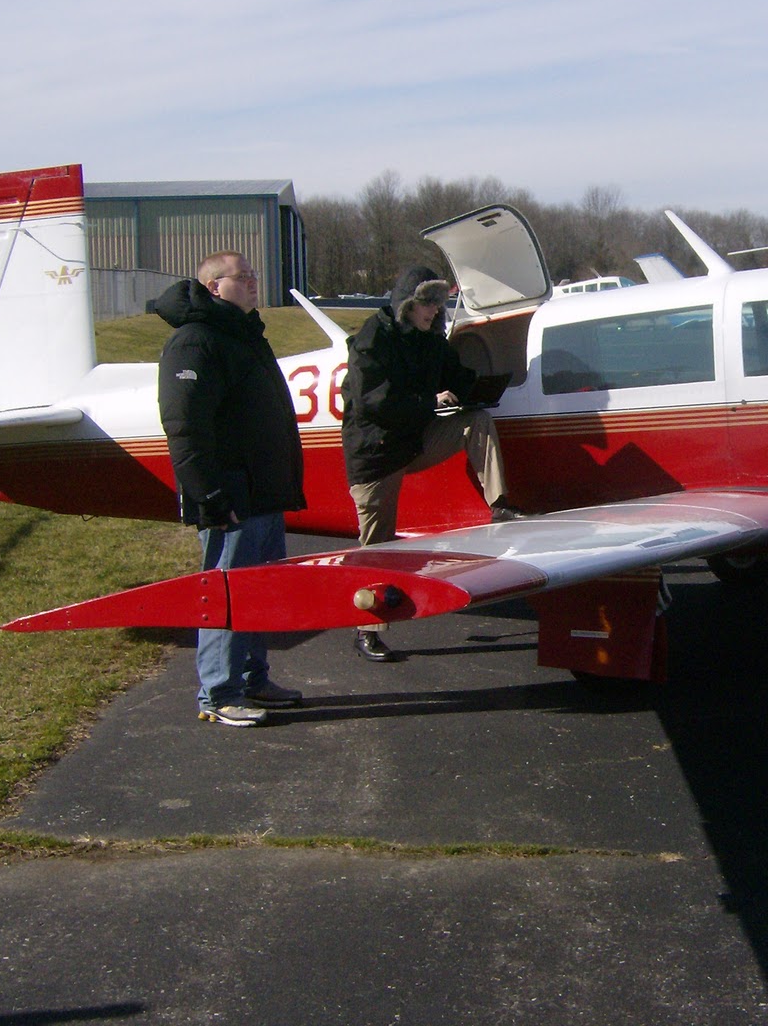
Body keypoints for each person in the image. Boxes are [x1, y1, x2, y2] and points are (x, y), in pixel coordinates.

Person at [155, 251, 307, 726]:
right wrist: (209, 495)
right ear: (214, 286)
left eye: (254, 275)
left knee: (259, 590)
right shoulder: (195, 341)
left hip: (262, 491)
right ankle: (218, 694)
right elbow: (185, 426)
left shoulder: (246, 336)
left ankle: (252, 679)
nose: (253, 283)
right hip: (231, 494)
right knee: (224, 592)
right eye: (242, 277)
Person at [341, 265, 521, 662]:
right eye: (426, 302)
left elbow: (456, 374)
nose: (433, 310)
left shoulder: (431, 340)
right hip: (377, 453)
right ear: (408, 304)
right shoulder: (373, 339)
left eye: (438, 303)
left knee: (477, 420)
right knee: (377, 547)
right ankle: (366, 630)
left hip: (412, 440)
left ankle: (500, 506)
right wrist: (429, 402)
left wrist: (483, 387)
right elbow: (375, 402)